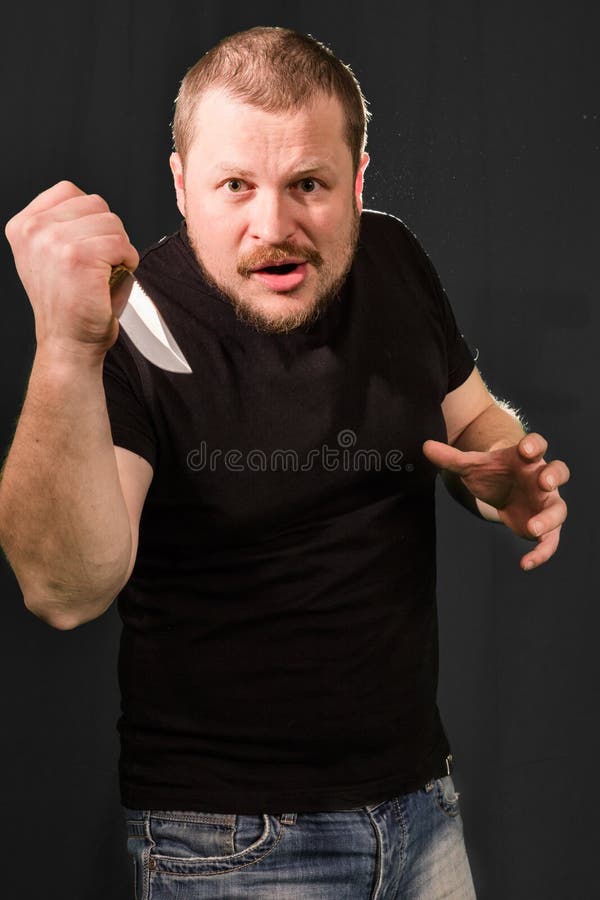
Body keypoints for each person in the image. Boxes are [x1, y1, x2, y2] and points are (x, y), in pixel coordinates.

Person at [1, 25, 569, 900]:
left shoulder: (395, 261)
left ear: (358, 180)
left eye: (309, 183)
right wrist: (66, 350)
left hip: (422, 805)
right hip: (230, 841)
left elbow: (477, 418)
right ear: (182, 184)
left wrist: (499, 473)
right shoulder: (127, 328)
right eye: (235, 185)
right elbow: (65, 590)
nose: (274, 226)